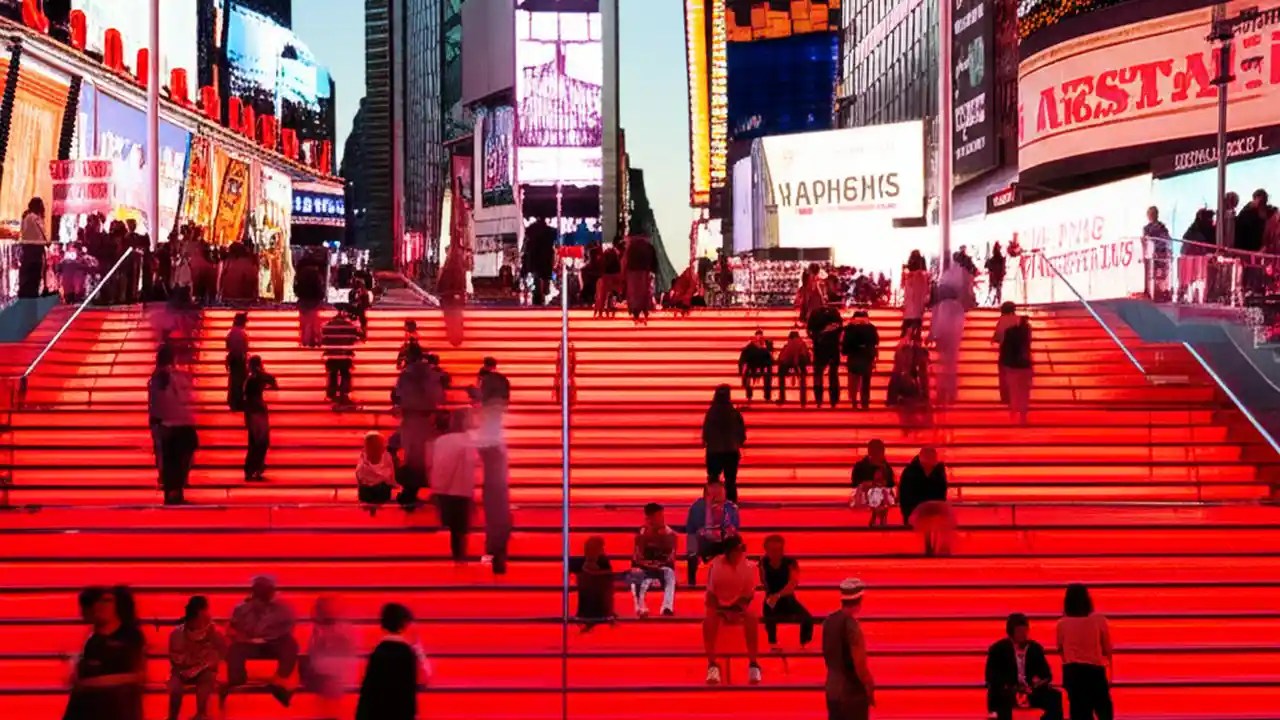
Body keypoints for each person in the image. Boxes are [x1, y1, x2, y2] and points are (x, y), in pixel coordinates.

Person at [63, 586, 146, 720]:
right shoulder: (93, 641)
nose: (101, 606)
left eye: (107, 601)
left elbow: (137, 676)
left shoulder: (130, 637)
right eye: (99, 602)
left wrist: (90, 683)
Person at [222, 576, 298, 708]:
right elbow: (233, 629)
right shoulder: (242, 609)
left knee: (290, 644)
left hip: (273, 644)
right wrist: (240, 635)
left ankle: (280, 681)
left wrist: (271, 635)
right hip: (249, 644)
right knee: (234, 649)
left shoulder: (282, 609)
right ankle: (236, 681)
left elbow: (288, 628)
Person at [356, 603, 432, 720]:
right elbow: (423, 679)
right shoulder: (407, 653)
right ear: (404, 625)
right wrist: (417, 647)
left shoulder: (377, 653)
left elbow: (367, 693)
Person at [703, 536, 762, 685]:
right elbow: (711, 594)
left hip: (738, 607)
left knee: (752, 619)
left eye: (741, 549)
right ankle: (712, 666)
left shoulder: (749, 567)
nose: (739, 553)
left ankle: (753, 665)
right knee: (708, 622)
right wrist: (717, 610)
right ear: (728, 552)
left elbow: (748, 596)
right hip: (719, 608)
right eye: (736, 550)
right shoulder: (716, 565)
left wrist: (735, 610)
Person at [394, 344, 446, 504]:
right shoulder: (430, 374)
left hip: (411, 418)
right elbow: (438, 396)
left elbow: (398, 394)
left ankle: (410, 492)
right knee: (426, 456)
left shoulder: (406, 375)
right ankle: (431, 490)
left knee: (412, 457)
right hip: (426, 419)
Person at [987, 613, 1064, 720]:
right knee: (999, 698)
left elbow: (1047, 675)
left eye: (1025, 630)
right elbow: (991, 677)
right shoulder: (998, 649)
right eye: (1019, 631)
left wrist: (1037, 683)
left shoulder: (1035, 648)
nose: (1023, 634)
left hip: (1031, 690)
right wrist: (1013, 688)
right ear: (1011, 632)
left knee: (1055, 697)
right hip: (1009, 691)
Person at [476, 355, 513, 574]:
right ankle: (497, 555)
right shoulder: (501, 379)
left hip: (490, 412)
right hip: (496, 412)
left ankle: (493, 554)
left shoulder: (486, 380)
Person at [1056, 584, 1114, 720]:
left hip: (1073, 673)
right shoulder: (1099, 620)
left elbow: (1060, 650)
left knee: (1079, 713)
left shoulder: (1062, 624)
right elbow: (1107, 649)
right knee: (1104, 710)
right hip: (1094, 672)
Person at [150, 346, 198, 506]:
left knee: (170, 458)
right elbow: (186, 397)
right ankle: (176, 489)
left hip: (165, 423)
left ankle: (172, 492)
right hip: (180, 422)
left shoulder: (155, 378)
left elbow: (154, 403)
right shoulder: (175, 376)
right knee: (181, 455)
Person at [823, 578, 874, 720]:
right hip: (850, 693)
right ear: (859, 599)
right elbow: (859, 663)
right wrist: (869, 684)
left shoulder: (829, 621)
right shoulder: (851, 625)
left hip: (832, 688)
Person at [168, 595, 225, 720]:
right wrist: (193, 665)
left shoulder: (214, 632)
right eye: (206, 611)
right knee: (175, 687)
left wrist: (205, 664)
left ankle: (201, 714)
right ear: (199, 613)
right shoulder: (177, 633)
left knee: (208, 677)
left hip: (204, 670)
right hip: (181, 672)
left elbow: (221, 653)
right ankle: (172, 717)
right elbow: (177, 659)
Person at [430, 409, 477, 563]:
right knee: (460, 528)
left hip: (446, 490)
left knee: (454, 528)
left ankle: (457, 556)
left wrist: (437, 487)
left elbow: (438, 466)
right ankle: (460, 556)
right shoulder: (469, 441)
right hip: (462, 490)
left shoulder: (441, 441)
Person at [759, 535, 813, 651]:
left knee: (807, 618)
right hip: (771, 598)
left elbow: (792, 584)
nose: (776, 553)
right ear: (766, 550)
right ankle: (772, 644)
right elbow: (764, 583)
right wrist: (772, 597)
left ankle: (804, 644)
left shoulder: (791, 563)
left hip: (787, 598)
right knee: (769, 611)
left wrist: (778, 595)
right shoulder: (763, 563)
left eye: (779, 550)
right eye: (773, 550)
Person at [306, 596, 356, 719]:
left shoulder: (342, 633)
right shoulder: (315, 633)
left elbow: (346, 659)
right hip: (322, 679)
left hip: (333, 678)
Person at [685, 480, 741, 586]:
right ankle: (691, 581)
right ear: (706, 495)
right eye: (713, 495)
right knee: (692, 545)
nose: (717, 498)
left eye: (720, 494)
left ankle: (735, 579)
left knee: (736, 542)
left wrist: (727, 531)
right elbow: (693, 529)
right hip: (703, 540)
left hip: (724, 541)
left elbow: (734, 527)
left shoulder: (731, 508)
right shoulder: (697, 507)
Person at [627, 502, 678, 617]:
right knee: (635, 575)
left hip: (661, 569)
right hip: (645, 570)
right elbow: (637, 558)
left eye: (662, 516)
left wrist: (658, 566)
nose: (662, 519)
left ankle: (667, 607)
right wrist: (648, 565)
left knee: (670, 574)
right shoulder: (641, 534)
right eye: (658, 516)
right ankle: (640, 607)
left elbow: (671, 558)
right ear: (649, 518)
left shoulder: (670, 534)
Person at [899, 447, 952, 556]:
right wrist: (907, 514)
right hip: (916, 507)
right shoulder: (910, 472)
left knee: (945, 514)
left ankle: (943, 545)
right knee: (929, 516)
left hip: (933, 506)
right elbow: (905, 495)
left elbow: (942, 492)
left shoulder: (938, 471)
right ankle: (931, 547)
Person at [702, 384, 747, 502]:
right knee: (730, 481)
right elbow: (742, 434)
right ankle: (731, 505)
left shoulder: (711, 413)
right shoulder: (734, 413)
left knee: (713, 480)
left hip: (714, 452)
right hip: (731, 451)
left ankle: (711, 502)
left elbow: (706, 433)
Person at [242, 356, 277, 482]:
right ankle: (255, 468)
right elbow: (273, 381)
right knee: (261, 442)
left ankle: (251, 469)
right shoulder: (258, 377)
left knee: (254, 442)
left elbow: (245, 396)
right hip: (258, 411)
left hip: (252, 411)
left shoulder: (250, 379)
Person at [886, 328, 930, 428]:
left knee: (898, 377)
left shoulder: (915, 351)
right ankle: (895, 399)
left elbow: (923, 373)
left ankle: (894, 399)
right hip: (904, 372)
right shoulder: (905, 349)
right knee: (898, 376)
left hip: (907, 372)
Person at [574, 536, 616, 629]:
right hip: (591, 608)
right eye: (600, 547)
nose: (602, 550)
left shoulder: (602, 562)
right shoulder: (581, 564)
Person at [807, 303, 844, 408]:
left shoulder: (815, 314)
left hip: (820, 347)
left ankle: (819, 399)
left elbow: (809, 330)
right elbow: (840, 328)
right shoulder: (834, 314)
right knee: (833, 375)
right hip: (832, 347)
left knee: (819, 374)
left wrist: (816, 337)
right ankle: (833, 400)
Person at [841, 310, 879, 410]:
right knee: (866, 380)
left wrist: (845, 352)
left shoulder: (850, 328)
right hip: (866, 355)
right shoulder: (871, 327)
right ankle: (865, 401)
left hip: (854, 355)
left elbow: (845, 344)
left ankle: (854, 401)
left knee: (854, 379)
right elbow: (876, 341)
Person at [1000, 315, 1034, 425]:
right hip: (1024, 366)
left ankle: (1013, 412)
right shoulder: (1026, 334)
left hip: (1012, 366)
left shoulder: (1010, 333)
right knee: (1024, 392)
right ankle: (1022, 416)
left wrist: (1005, 365)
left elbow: (1005, 350)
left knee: (1014, 391)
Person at [322, 308, 360, 405]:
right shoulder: (349, 325)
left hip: (332, 354)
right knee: (345, 374)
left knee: (333, 374)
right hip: (344, 354)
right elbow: (356, 337)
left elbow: (323, 339)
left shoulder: (327, 326)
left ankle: (332, 394)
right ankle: (344, 393)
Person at [18, 197, 49, 299]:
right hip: (34, 254)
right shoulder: (34, 218)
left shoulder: (27, 218)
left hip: (29, 253)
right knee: (33, 280)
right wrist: (46, 242)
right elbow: (41, 235)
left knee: (29, 281)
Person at [623, 234, 658, 324]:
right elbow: (654, 260)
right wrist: (653, 270)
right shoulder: (648, 247)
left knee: (634, 292)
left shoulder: (631, 247)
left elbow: (626, 260)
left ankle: (636, 311)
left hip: (633, 271)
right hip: (644, 271)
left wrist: (624, 272)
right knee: (644, 291)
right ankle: (644, 310)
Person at [357, 431, 399, 505]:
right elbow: (360, 475)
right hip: (368, 491)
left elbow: (390, 474)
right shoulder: (364, 456)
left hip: (381, 490)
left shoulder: (386, 456)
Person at [776, 330, 812, 406]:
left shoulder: (787, 344)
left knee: (781, 377)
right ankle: (803, 400)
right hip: (800, 363)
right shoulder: (802, 343)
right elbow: (806, 355)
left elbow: (781, 357)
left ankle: (782, 397)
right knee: (802, 380)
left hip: (786, 363)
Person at [993, 302, 1019, 403]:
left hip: (1005, 351)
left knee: (1004, 375)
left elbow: (997, 337)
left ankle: (1006, 398)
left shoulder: (1002, 320)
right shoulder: (1018, 320)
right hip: (1017, 352)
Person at [738, 330, 774, 403]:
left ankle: (767, 396)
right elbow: (743, 358)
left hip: (762, 367)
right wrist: (742, 369)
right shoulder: (750, 346)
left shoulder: (766, 346)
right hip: (752, 367)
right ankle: (750, 395)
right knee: (748, 378)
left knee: (767, 377)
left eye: (761, 336)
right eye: (758, 336)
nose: (759, 338)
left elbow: (770, 360)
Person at [901, 252, 930, 336]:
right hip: (917, 308)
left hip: (910, 308)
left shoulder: (909, 275)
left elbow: (905, 288)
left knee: (909, 326)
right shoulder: (922, 276)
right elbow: (925, 291)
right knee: (916, 325)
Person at [225, 312, 250, 411]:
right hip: (238, 358)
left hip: (235, 358)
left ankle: (234, 401)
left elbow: (227, 346)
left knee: (235, 381)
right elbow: (243, 347)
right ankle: (237, 402)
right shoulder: (239, 332)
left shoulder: (232, 332)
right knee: (238, 381)